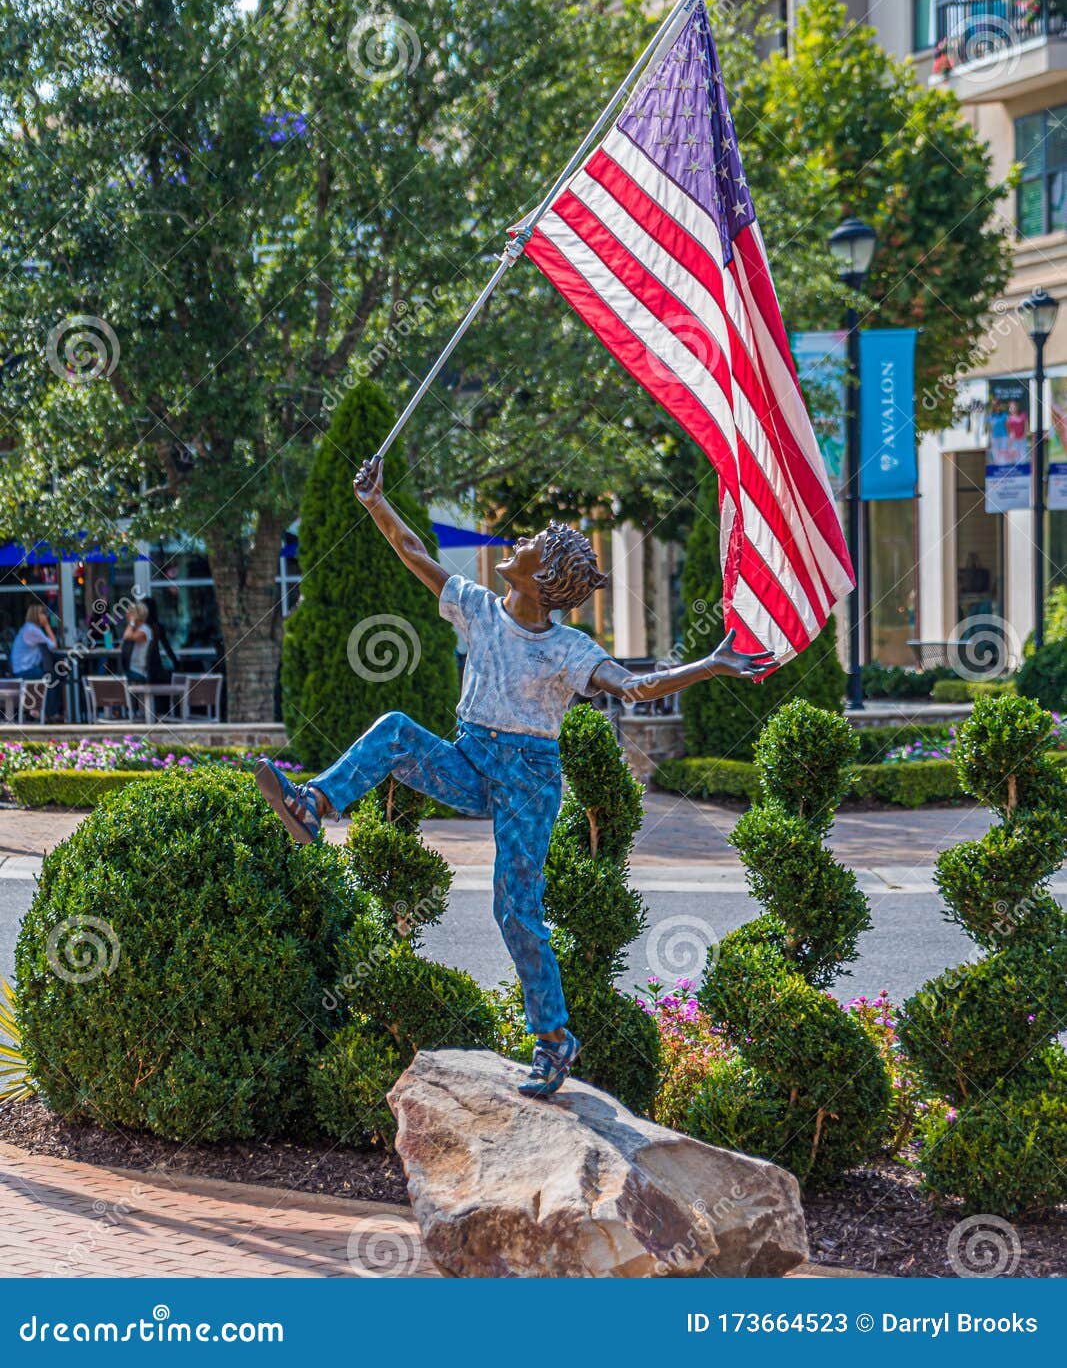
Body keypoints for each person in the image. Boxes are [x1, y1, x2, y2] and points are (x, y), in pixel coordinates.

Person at [255, 454, 774, 1100]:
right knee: (393, 730)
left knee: (514, 910)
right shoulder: (477, 606)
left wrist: (709, 664)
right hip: (471, 758)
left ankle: (554, 1041)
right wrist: (373, 502)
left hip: (529, 779)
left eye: (526, 546)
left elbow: (636, 688)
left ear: (543, 576)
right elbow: (413, 551)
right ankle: (313, 803)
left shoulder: (569, 650)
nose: (515, 545)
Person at [10, 601, 61, 717]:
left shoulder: (29, 628)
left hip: (23, 669)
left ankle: (40, 710)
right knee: (50, 679)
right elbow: (53, 645)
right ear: (36, 615)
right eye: (43, 613)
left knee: (52, 675)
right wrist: (47, 625)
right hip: (24, 670)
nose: (46, 616)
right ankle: (49, 713)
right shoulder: (32, 630)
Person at [143, 595, 180, 684]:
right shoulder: (157, 627)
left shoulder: (140, 627)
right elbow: (167, 646)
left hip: (145, 667)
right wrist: (176, 662)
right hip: (155, 667)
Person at [121, 601, 154, 689]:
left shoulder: (144, 630)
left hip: (137, 672)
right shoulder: (135, 629)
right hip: (131, 670)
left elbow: (126, 636)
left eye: (129, 612)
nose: (126, 615)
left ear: (135, 615)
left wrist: (131, 622)